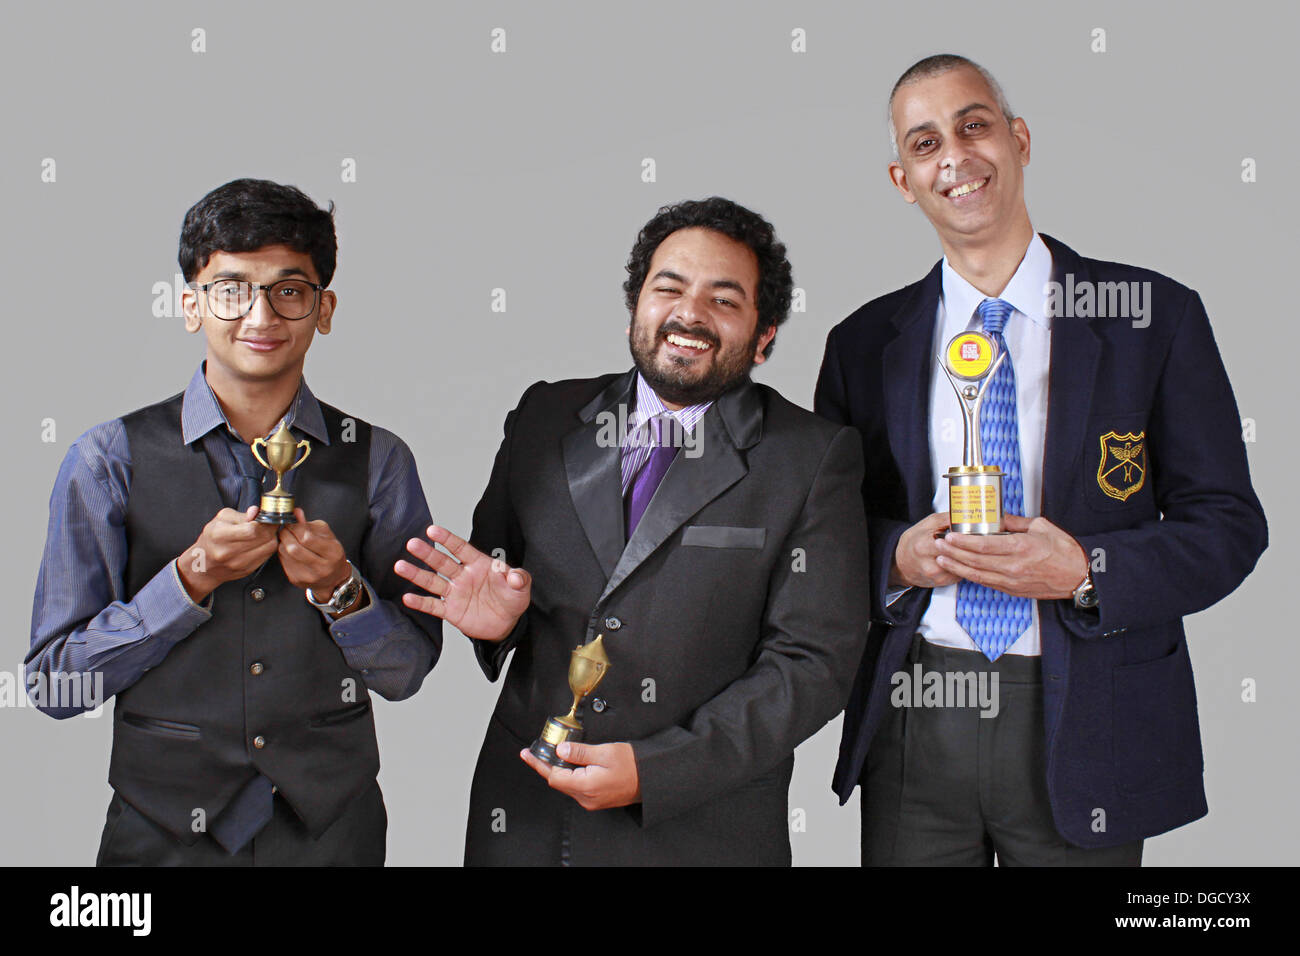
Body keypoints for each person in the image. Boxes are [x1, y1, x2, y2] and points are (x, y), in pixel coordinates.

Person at [817, 55, 1267, 865]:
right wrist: (897, 556)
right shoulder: (860, 345)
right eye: (925, 144)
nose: (954, 157)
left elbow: (1230, 528)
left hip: (1091, 717)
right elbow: (824, 535)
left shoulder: (1152, 318)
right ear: (902, 179)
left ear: (1019, 140)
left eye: (974, 125)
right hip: (918, 713)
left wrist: (1088, 570)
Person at [397, 197, 870, 866]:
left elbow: (814, 665)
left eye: (725, 300)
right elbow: (501, 573)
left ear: (764, 336)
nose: (690, 315)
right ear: (635, 307)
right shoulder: (545, 415)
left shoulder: (811, 457)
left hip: (698, 831)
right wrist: (502, 621)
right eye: (668, 288)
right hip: (524, 822)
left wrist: (658, 770)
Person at [27, 178, 442, 866]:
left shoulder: (380, 460)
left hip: (331, 830)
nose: (260, 314)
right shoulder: (107, 460)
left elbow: (406, 672)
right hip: (160, 832)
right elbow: (54, 683)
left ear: (324, 308)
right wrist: (190, 579)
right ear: (189, 305)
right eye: (230, 288)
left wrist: (341, 589)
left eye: (289, 289)